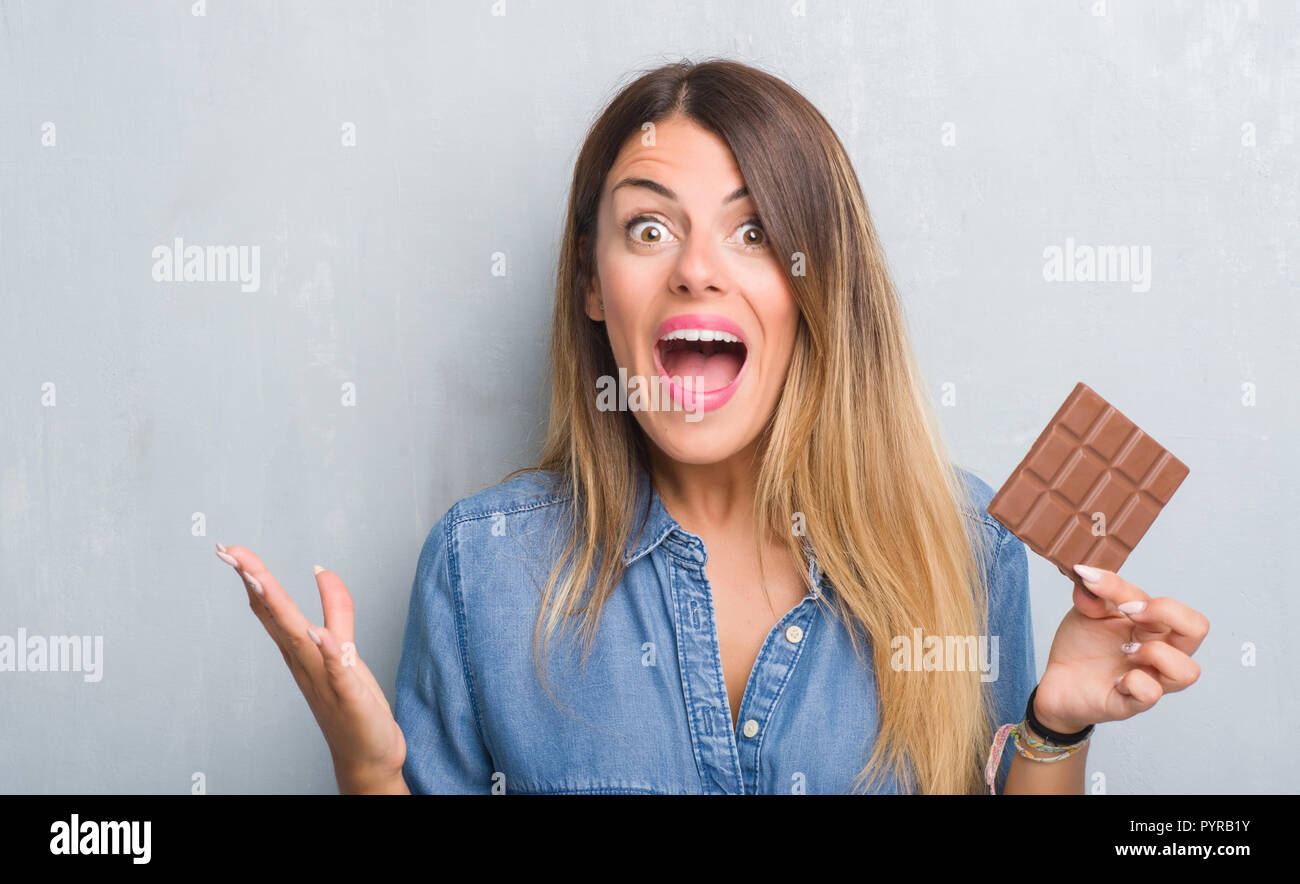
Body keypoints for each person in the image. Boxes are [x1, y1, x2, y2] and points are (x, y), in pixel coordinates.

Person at [214, 58, 1208, 795]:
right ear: (594, 287)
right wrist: (367, 771)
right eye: (648, 228)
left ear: (818, 284)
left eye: (754, 231)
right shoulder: (485, 566)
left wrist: (1054, 726)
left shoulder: (963, 539)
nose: (695, 267)